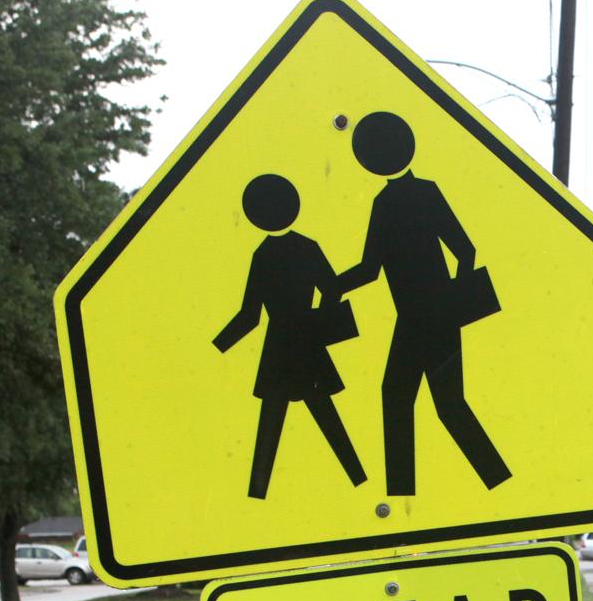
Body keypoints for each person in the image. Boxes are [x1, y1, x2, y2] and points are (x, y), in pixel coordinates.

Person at [333, 111, 510, 496]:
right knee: (428, 401)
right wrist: (453, 302)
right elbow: (463, 251)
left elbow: (370, 269)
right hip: (425, 320)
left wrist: (333, 286)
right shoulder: (415, 194)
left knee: (419, 401)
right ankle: (422, 491)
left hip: (422, 320)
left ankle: (481, 483)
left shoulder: (390, 201)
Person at [214, 173, 368, 501]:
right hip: (307, 344)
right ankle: (359, 481)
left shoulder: (263, 255)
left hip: (280, 347)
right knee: (322, 416)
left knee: (274, 424)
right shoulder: (306, 247)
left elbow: (250, 316)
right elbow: (332, 289)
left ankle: (258, 495)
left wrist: (220, 345)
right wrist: (319, 323)